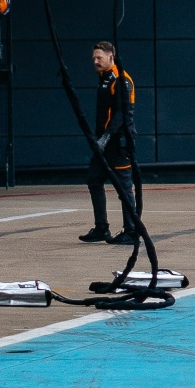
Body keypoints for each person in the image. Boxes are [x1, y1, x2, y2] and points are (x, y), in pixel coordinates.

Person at [79, 41, 139, 246]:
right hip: (103, 144)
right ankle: (101, 228)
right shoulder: (103, 78)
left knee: (124, 187)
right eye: (94, 58)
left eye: (99, 58)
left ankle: (131, 231)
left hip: (118, 143)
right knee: (94, 180)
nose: (95, 61)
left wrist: (106, 138)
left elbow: (123, 114)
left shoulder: (121, 80)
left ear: (111, 57)